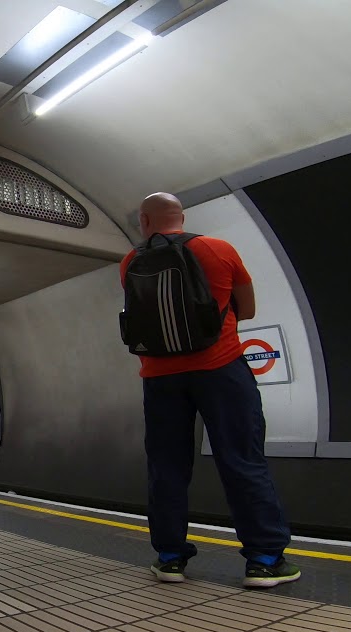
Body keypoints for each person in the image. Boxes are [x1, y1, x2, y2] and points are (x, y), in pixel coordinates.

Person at [120, 192, 300, 589]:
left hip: (159, 377)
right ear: (181, 217)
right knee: (242, 460)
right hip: (219, 368)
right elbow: (247, 309)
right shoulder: (218, 249)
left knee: (166, 467)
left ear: (144, 222)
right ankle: (264, 560)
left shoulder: (130, 261)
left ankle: (169, 559)